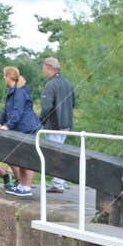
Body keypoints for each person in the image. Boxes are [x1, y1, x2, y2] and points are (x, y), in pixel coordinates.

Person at [0, 65, 41, 196]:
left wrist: (8, 126)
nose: (4, 78)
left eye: (4, 76)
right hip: (21, 128)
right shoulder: (12, 90)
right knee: (20, 157)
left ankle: (26, 187)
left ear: (9, 77)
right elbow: (6, 110)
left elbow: (17, 111)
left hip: (27, 128)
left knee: (25, 157)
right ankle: (22, 185)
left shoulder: (19, 91)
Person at [38, 56, 75, 193]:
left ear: (49, 68)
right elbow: (73, 104)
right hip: (66, 123)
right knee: (59, 152)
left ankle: (58, 184)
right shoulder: (68, 83)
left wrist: (40, 121)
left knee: (54, 154)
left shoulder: (50, 85)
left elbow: (46, 107)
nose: (43, 71)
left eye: (44, 68)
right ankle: (59, 182)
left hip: (54, 124)